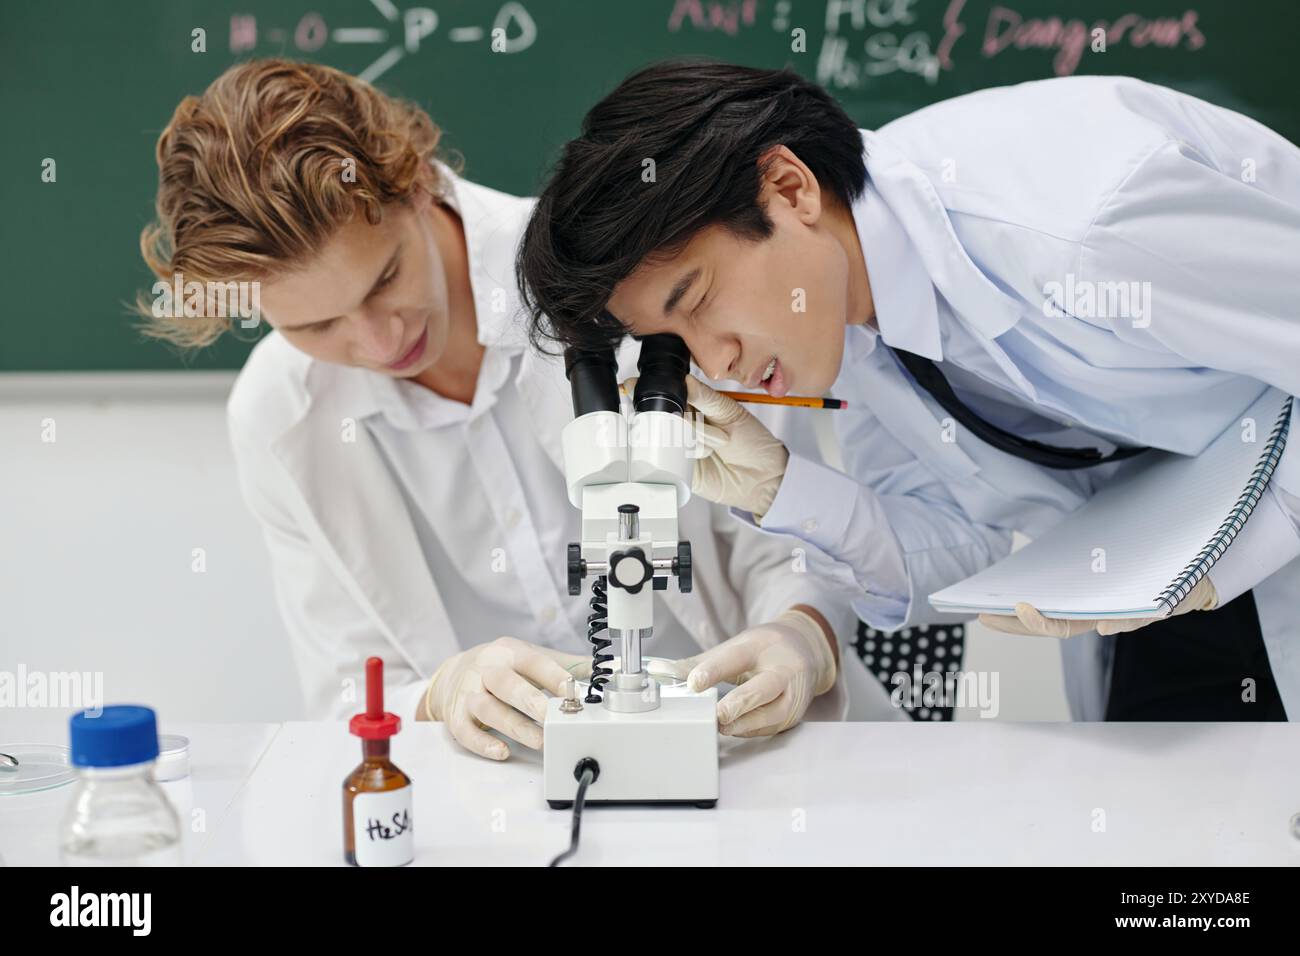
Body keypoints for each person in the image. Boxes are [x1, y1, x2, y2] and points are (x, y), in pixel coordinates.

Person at [136, 59, 892, 760]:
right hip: (502, 793)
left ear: (418, 182)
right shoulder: (279, 418)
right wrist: (438, 695)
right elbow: (348, 684)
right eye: (315, 326)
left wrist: (800, 635)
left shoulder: (633, 274)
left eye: (383, 280)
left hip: (749, 755)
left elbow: (799, 539)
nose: (378, 339)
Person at [516, 62, 1300, 721]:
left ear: (789, 189)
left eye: (697, 301)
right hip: (1169, 606)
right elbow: (959, 548)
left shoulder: (1088, 226)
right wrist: (785, 490)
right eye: (676, 345)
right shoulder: (845, 323)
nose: (715, 364)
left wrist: (1231, 557)